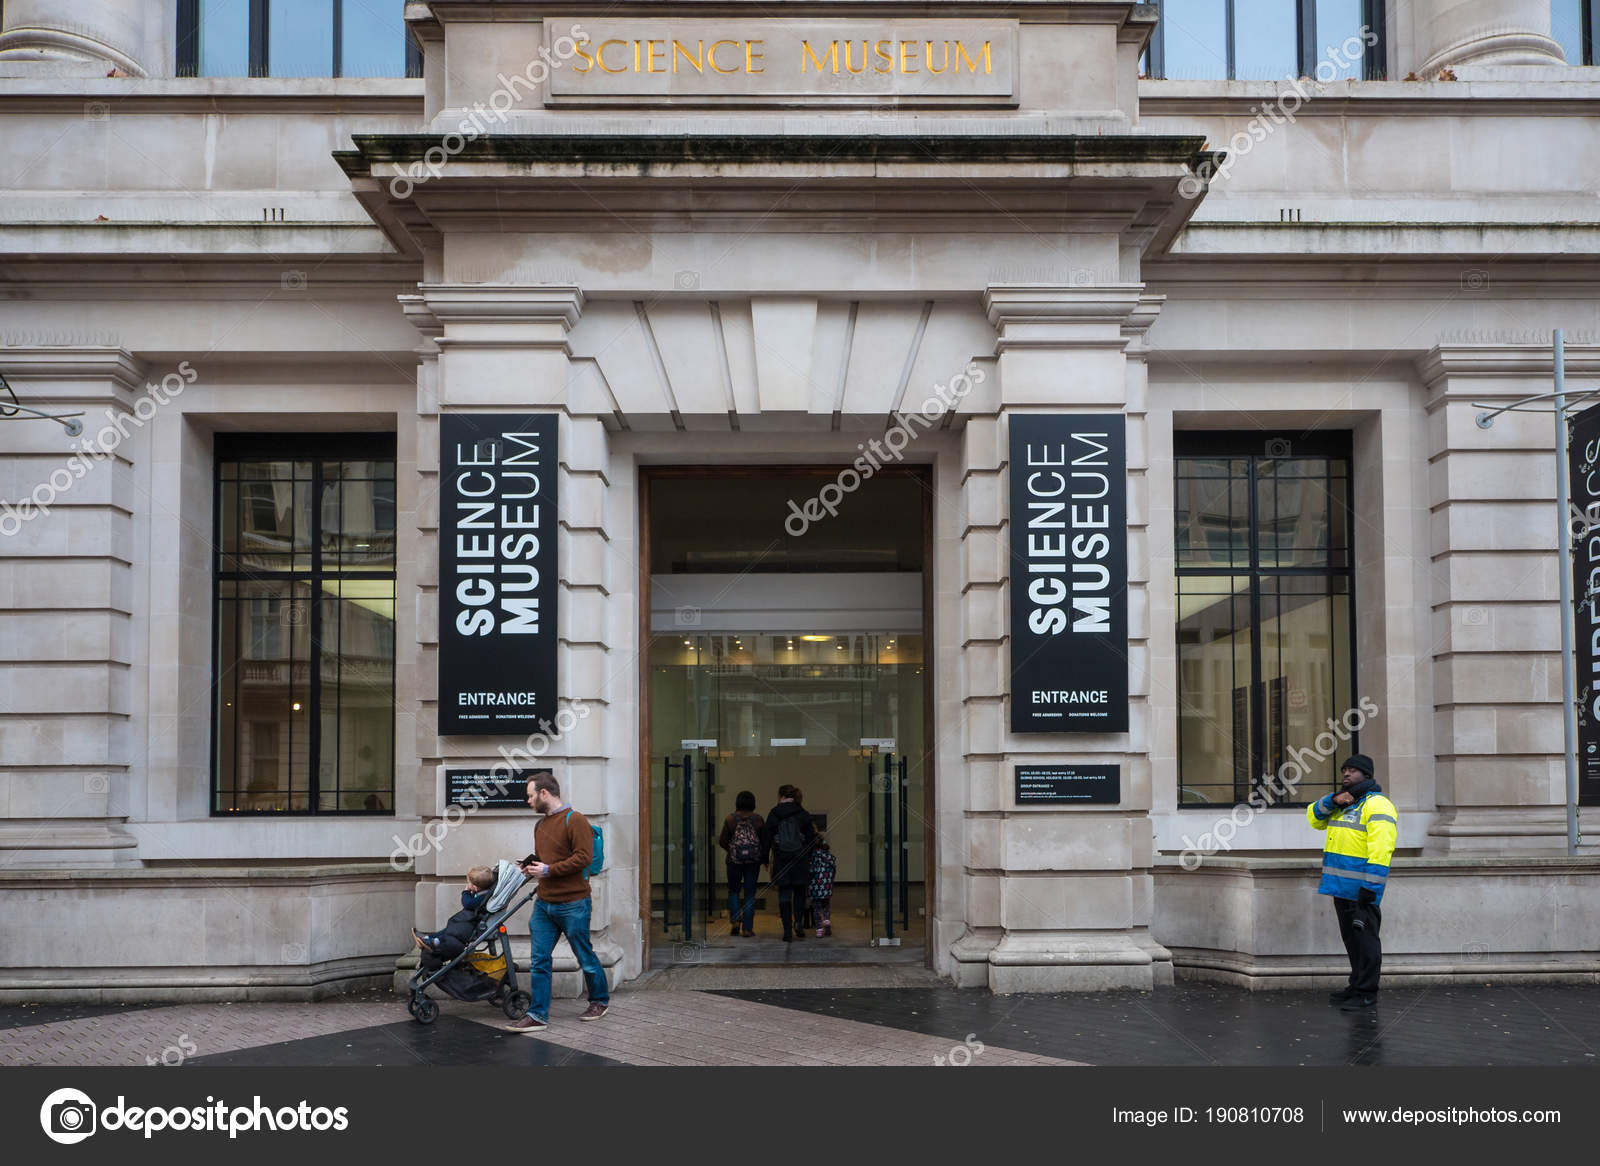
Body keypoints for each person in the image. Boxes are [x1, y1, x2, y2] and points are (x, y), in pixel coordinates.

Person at [503, 774, 610, 1031]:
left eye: (530, 795)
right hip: (544, 903)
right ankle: (537, 1015)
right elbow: (545, 859)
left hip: (574, 903)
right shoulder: (539, 826)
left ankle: (600, 1000)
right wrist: (532, 868)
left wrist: (549, 870)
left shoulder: (576, 820)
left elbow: (583, 858)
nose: (527, 801)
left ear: (543, 793)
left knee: (583, 955)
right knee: (539, 959)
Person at [1307, 754, 1398, 1011]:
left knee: (1367, 942)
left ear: (1366, 775)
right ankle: (1355, 985)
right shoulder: (1344, 802)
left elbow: (1382, 851)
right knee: (1351, 940)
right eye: (1345, 769)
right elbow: (1313, 819)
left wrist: (1371, 888)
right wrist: (1333, 800)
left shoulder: (1377, 805)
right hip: (1341, 887)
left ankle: (1367, 993)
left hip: (1362, 890)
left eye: (1354, 770)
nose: (1347, 774)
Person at [412, 865, 496, 968]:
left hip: (469, 925)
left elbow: (467, 903)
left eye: (469, 883)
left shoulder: (481, 898)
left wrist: (465, 892)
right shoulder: (483, 894)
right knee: (448, 930)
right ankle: (428, 938)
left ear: (475, 887)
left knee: (450, 933)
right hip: (466, 922)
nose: (468, 884)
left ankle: (432, 941)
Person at [763, 784, 816, 942]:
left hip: (781, 859)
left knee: (784, 894)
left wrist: (765, 858)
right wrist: (808, 856)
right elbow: (811, 837)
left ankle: (787, 930)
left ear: (781, 796)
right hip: (800, 859)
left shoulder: (774, 813)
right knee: (800, 892)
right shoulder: (803, 813)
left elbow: (767, 837)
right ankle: (798, 922)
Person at [717, 789, 765, 937]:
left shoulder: (730, 819)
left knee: (733, 891)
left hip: (734, 862)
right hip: (753, 862)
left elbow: (722, 841)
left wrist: (733, 850)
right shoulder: (758, 820)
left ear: (737, 802)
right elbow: (763, 842)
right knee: (750, 894)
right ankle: (748, 929)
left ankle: (736, 921)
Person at [809, 834, 836, 937]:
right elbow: (833, 871)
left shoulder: (813, 857)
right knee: (826, 906)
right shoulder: (829, 856)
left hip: (815, 887)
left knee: (816, 909)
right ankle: (827, 921)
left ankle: (819, 930)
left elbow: (811, 871)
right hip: (827, 886)